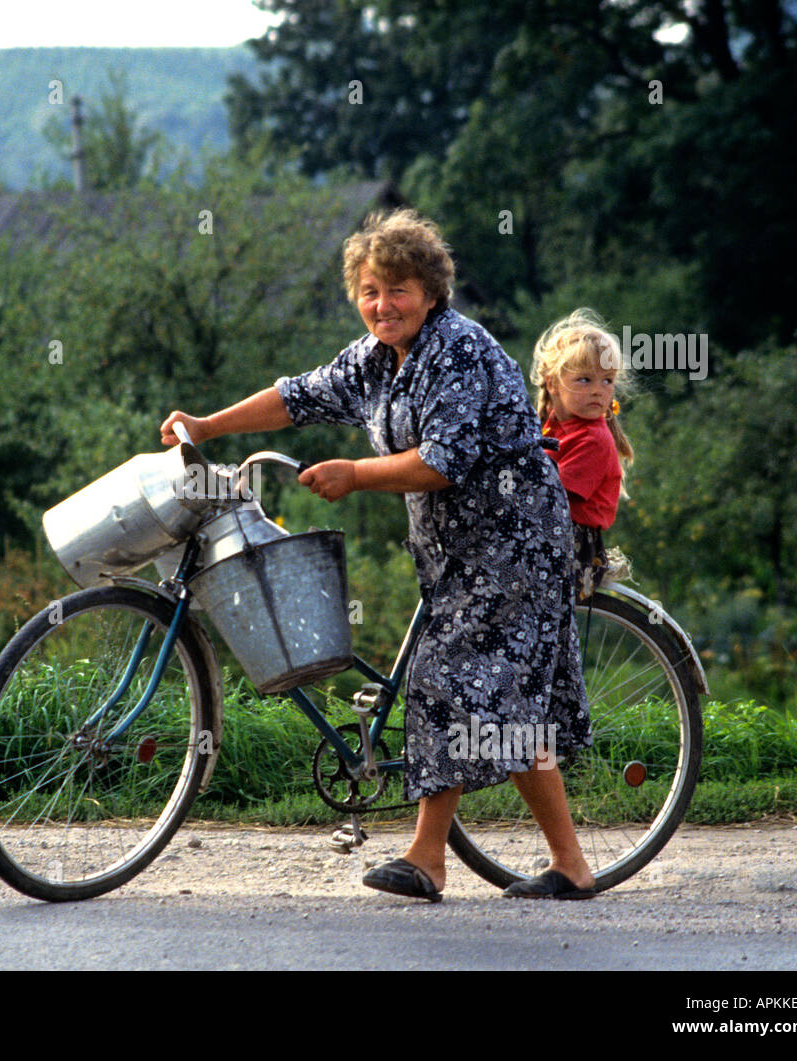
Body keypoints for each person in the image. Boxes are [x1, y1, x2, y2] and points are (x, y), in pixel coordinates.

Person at [160, 209, 598, 901]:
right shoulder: (374, 359)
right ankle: (571, 864)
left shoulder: (455, 349)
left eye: (396, 289)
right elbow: (297, 396)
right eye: (369, 291)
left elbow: (446, 460)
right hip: (451, 546)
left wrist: (354, 473)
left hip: (514, 540)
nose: (381, 304)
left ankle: (427, 858)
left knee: (445, 678)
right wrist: (208, 424)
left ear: (429, 292)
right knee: (502, 701)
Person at [530, 310, 634, 600]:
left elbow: (553, 493)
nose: (599, 391)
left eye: (607, 381)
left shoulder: (595, 440)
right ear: (552, 384)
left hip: (572, 547)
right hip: (550, 533)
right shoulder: (553, 425)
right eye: (585, 380)